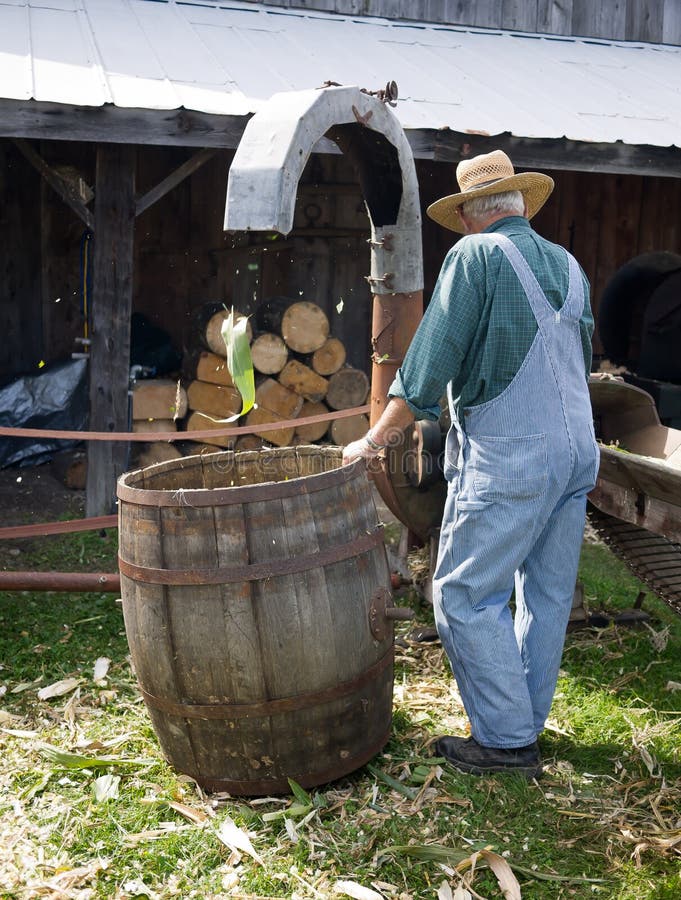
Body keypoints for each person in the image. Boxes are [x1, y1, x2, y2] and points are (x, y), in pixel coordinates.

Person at [343, 150, 598, 779]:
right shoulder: (569, 264)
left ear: (469, 215)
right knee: (544, 592)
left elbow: (430, 359)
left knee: (460, 592)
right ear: (516, 204)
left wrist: (375, 441)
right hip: (578, 452)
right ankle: (524, 722)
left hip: (514, 457)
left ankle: (507, 742)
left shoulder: (475, 257)